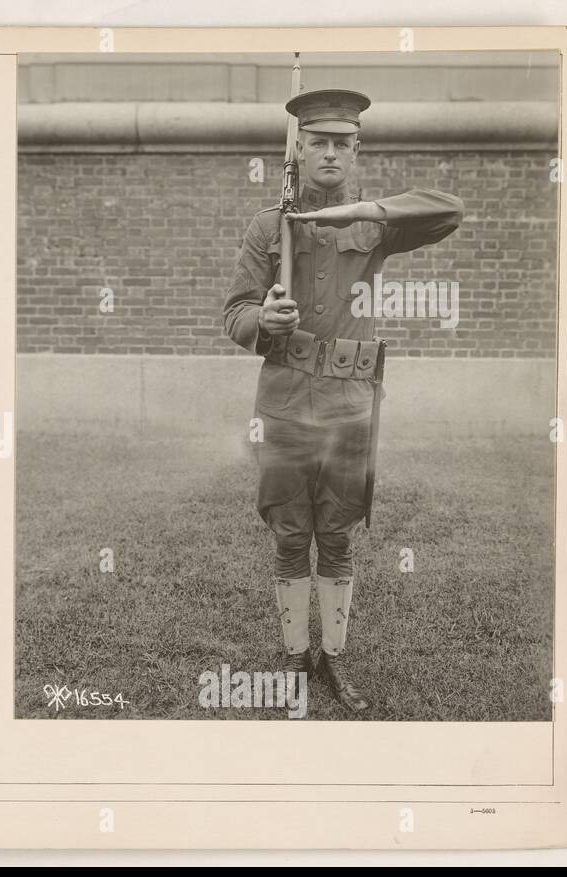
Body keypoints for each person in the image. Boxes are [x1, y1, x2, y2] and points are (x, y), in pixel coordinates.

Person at [222, 89, 464, 713]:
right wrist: (264, 320)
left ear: (356, 151)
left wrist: (360, 211)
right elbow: (234, 314)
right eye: (318, 142)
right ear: (297, 150)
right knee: (288, 532)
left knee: (337, 533)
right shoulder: (265, 225)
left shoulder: (370, 223)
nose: (330, 153)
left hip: (350, 403)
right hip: (283, 400)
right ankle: (295, 655)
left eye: (342, 143)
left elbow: (448, 211)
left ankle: (333, 657)